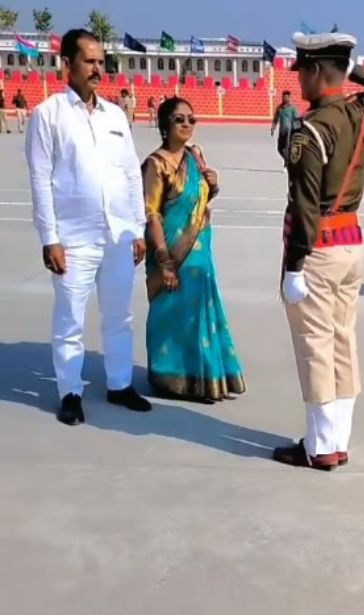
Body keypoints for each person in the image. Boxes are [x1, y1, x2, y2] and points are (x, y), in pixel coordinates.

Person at [272, 32, 364, 470]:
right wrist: (357, 72)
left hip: (317, 252)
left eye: (303, 71)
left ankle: (319, 448)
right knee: (342, 342)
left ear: (316, 71)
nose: (300, 79)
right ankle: (338, 439)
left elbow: (305, 205)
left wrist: (294, 267)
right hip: (351, 242)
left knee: (315, 346)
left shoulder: (311, 130)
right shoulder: (362, 112)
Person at [25, 28, 153, 426]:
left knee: (119, 315)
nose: (98, 69)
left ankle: (119, 383)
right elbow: (40, 180)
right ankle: (70, 391)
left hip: (117, 235)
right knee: (70, 320)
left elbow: (130, 174)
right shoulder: (48, 115)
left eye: (101, 62)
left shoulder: (115, 116)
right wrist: (50, 238)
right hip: (73, 238)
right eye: (89, 61)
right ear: (68, 64)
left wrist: (137, 228)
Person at [141, 97, 246, 402]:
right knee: (171, 313)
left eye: (191, 119)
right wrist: (165, 262)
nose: (187, 124)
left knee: (199, 314)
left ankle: (203, 378)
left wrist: (214, 185)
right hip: (171, 253)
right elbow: (152, 214)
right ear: (165, 125)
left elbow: (198, 202)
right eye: (179, 119)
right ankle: (169, 377)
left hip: (200, 252)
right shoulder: (156, 164)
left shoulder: (195, 156)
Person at [270, 91, 300, 165]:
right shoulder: (279, 108)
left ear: (289, 98)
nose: (285, 98)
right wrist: (273, 128)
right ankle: (288, 160)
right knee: (279, 148)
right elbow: (275, 119)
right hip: (281, 131)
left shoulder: (292, 108)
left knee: (287, 148)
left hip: (289, 131)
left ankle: (286, 164)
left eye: (286, 97)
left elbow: (297, 120)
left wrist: (297, 131)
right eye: (283, 97)